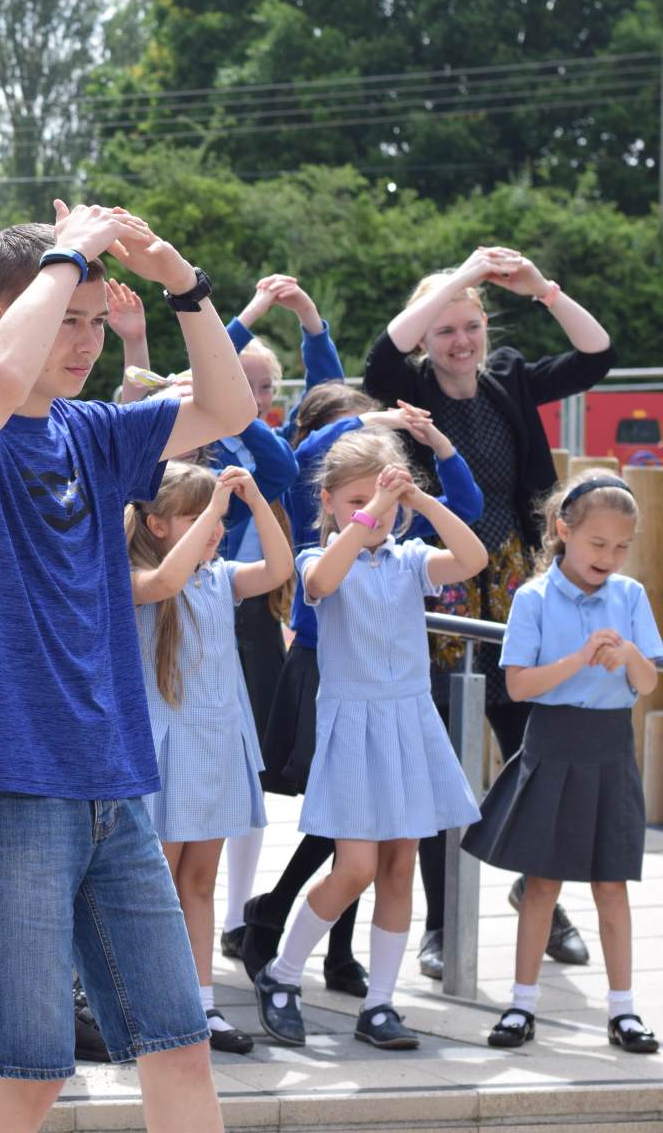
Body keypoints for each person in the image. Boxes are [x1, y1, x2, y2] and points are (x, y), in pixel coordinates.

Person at [0, 203, 255, 1133]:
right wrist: (66, 256)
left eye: (98, 322)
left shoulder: (93, 429)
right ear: (4, 316)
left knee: (179, 1046)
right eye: (68, 320)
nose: (86, 342)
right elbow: (4, 374)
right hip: (6, 785)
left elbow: (230, 407)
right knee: (32, 1068)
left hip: (112, 787)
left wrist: (181, 277)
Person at [363, 248, 615, 977]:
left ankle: (543, 898)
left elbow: (596, 356)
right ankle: (442, 926)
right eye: (445, 330)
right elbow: (382, 354)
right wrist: (462, 275)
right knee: (446, 761)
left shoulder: (507, 376)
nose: (460, 342)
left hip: (513, 589)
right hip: (440, 586)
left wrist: (543, 290)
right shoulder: (409, 393)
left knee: (533, 752)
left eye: (469, 325)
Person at [252, 429, 487, 1051]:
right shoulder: (317, 557)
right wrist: (368, 512)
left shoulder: (410, 560)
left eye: (385, 500)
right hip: (353, 725)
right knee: (353, 866)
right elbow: (323, 585)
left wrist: (421, 500)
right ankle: (280, 975)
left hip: (407, 722)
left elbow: (472, 558)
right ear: (328, 501)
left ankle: (381, 1003)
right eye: (355, 500)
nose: (378, 513)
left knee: (399, 865)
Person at [464, 474, 659, 1054]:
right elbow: (520, 686)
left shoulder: (630, 596)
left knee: (612, 886)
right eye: (598, 543)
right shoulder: (532, 597)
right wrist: (579, 657)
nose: (610, 557)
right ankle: (521, 1004)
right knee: (542, 883)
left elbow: (648, 681)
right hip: (552, 742)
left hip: (609, 748)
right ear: (562, 530)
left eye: (621, 546)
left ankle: (623, 1010)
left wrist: (626, 656)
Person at [127, 463, 291, 1056]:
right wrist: (215, 504)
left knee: (199, 881)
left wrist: (256, 499)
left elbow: (280, 568)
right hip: (163, 749)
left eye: (217, 521)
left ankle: (201, 1004)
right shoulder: (142, 577)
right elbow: (168, 581)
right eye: (197, 518)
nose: (214, 529)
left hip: (216, 745)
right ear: (156, 523)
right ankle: (147, 1001)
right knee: (157, 884)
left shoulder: (220, 577)